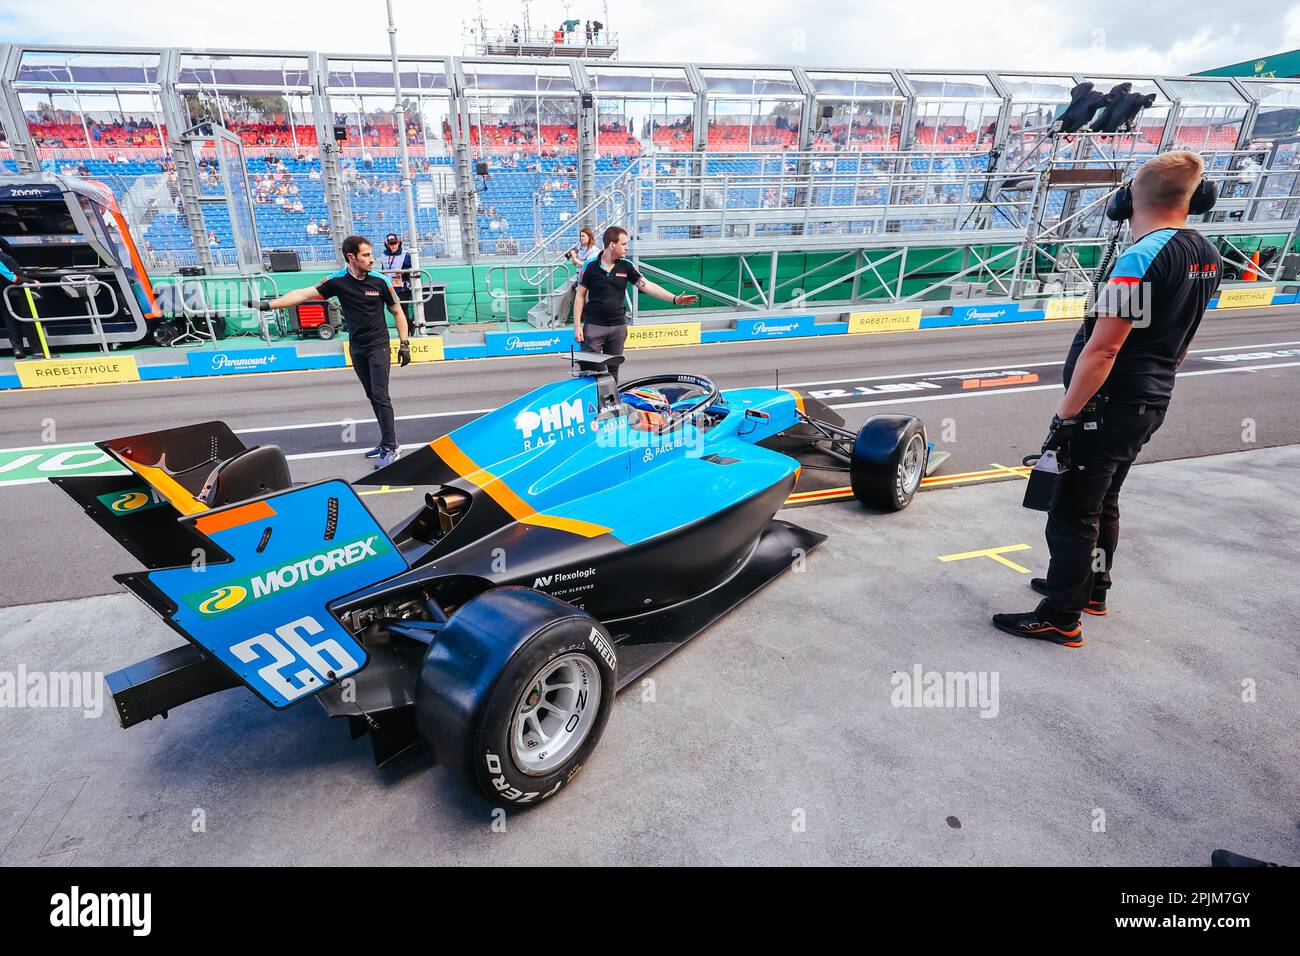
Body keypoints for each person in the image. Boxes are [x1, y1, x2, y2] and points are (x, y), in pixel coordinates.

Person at [993, 151, 1223, 647]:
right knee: (1104, 500)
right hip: (1149, 401)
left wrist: (1066, 417)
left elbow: (1104, 348)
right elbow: (1181, 341)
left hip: (1108, 406)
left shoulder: (1141, 257)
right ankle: (1091, 589)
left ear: (1129, 198)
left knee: (1072, 511)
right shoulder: (1207, 252)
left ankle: (1061, 616)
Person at [247, 236, 412, 468]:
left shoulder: (381, 281)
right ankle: (387, 441)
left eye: (371, 254)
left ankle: (391, 447)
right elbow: (302, 294)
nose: (371, 259)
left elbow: (397, 312)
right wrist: (267, 305)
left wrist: (404, 343)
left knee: (380, 395)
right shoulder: (336, 281)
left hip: (379, 346)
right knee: (372, 396)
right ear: (351, 257)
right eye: (366, 255)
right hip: (357, 347)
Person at [573, 226, 698, 381]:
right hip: (594, 327)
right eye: (624, 244)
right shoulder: (590, 265)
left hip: (618, 328)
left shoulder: (627, 266)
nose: (627, 247)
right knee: (591, 371)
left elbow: (648, 285)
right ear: (612, 245)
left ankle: (613, 397)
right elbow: (580, 296)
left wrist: (674, 299)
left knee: (613, 373)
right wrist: (577, 326)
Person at [0, 238, 38, 358]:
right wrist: (32, 282)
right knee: (28, 320)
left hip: (3, 293)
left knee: (10, 321)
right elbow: (12, 277)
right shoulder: (3, 257)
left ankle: (18, 349)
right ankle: (38, 351)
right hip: (15, 291)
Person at [553, 227, 599, 325]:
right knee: (567, 297)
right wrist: (573, 256)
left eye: (583, 236)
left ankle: (592, 321)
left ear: (590, 237)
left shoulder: (594, 251)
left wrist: (575, 258)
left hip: (590, 282)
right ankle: (561, 321)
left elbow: (588, 266)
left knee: (588, 302)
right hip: (580, 279)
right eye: (580, 236)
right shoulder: (581, 248)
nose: (581, 238)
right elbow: (575, 263)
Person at [380, 233, 414, 316]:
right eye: (391, 244)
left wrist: (403, 272)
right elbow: (384, 269)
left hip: (403, 287)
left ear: (398, 242)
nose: (393, 245)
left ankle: (407, 324)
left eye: (395, 243)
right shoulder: (384, 255)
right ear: (387, 244)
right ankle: (408, 323)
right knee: (391, 307)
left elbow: (412, 269)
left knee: (402, 308)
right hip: (390, 286)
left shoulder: (405, 254)